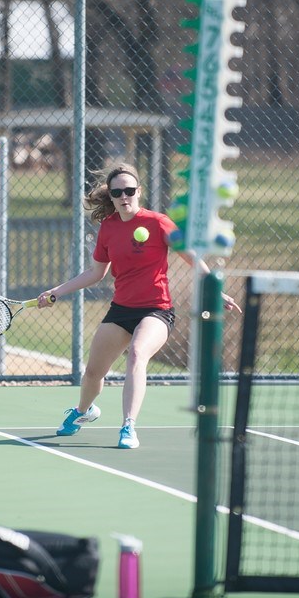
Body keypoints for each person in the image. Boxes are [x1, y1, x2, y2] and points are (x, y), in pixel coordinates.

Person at [37, 163, 240, 449]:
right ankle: (83, 411)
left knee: (137, 354)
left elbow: (190, 256)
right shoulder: (108, 228)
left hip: (157, 310)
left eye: (129, 191)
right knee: (93, 373)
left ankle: (128, 425)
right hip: (121, 310)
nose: (124, 197)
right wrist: (57, 291)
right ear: (112, 197)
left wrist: (215, 289)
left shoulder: (158, 223)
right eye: (117, 192)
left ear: (139, 192)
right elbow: (96, 273)